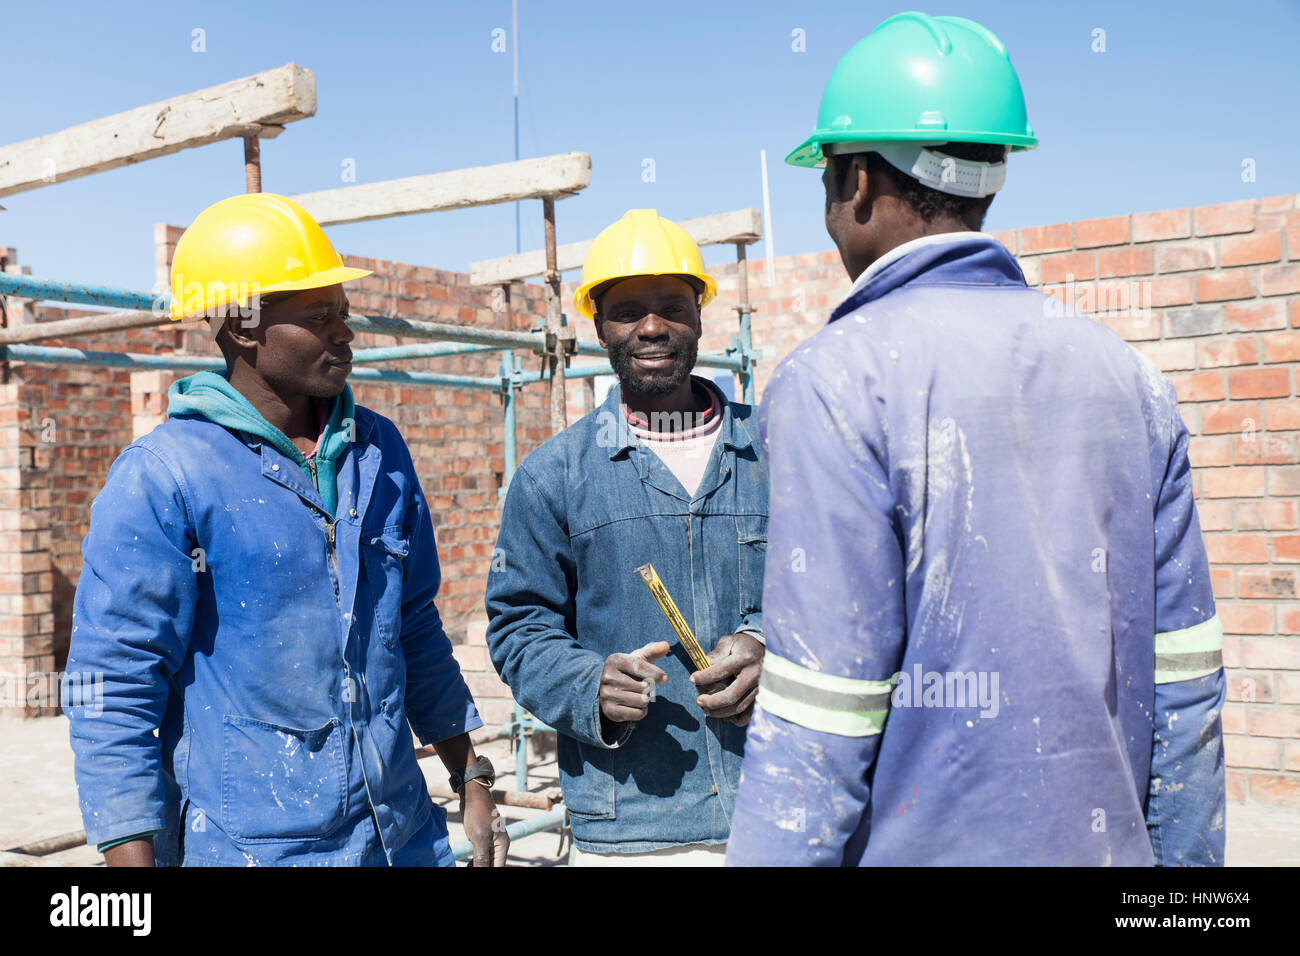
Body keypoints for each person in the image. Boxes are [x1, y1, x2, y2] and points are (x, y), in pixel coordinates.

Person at [727, 12, 1225, 866]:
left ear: (853, 185)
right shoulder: (1130, 379)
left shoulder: (834, 382)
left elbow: (821, 719)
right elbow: (1185, 686)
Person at [64, 193, 507, 866]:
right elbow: (115, 686)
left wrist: (469, 773)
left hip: (401, 836)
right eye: (320, 318)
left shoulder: (377, 452)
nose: (346, 335)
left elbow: (412, 624)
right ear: (244, 327)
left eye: (345, 314)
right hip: (253, 849)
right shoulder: (164, 477)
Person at [485, 210, 768, 865]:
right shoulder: (554, 476)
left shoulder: (778, 451)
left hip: (779, 804)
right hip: (635, 830)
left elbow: (838, 593)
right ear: (598, 326)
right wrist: (590, 686)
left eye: (672, 305)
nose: (651, 325)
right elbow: (519, 628)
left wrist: (767, 643)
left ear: (700, 314)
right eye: (627, 310)